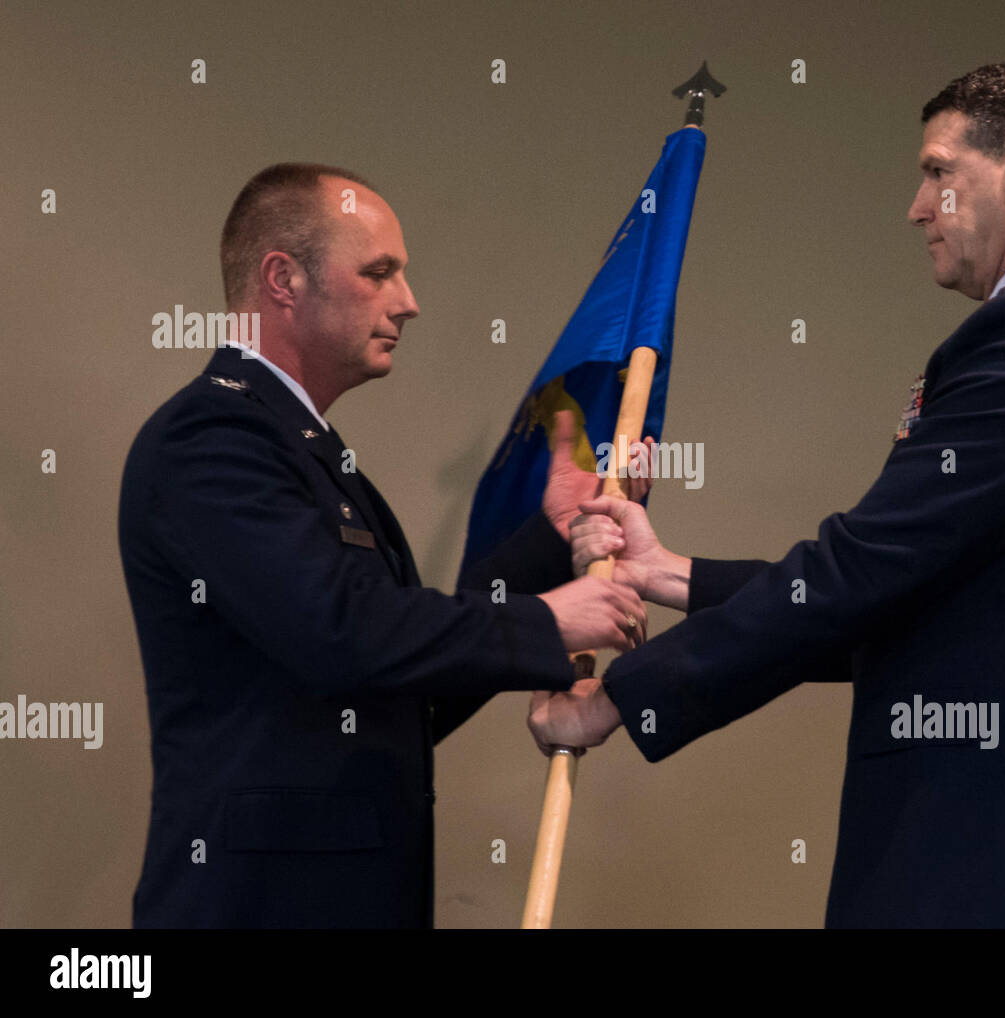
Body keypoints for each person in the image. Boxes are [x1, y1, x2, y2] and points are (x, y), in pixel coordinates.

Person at [528, 61, 1005, 928]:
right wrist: (674, 576)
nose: (917, 207)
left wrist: (619, 700)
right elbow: (925, 595)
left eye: (938, 173)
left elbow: (869, 568)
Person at [119, 162, 646, 928]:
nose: (410, 301)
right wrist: (551, 622)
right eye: (379, 272)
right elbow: (342, 631)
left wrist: (550, 540)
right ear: (283, 279)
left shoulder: (301, 445)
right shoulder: (211, 438)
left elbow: (396, 690)